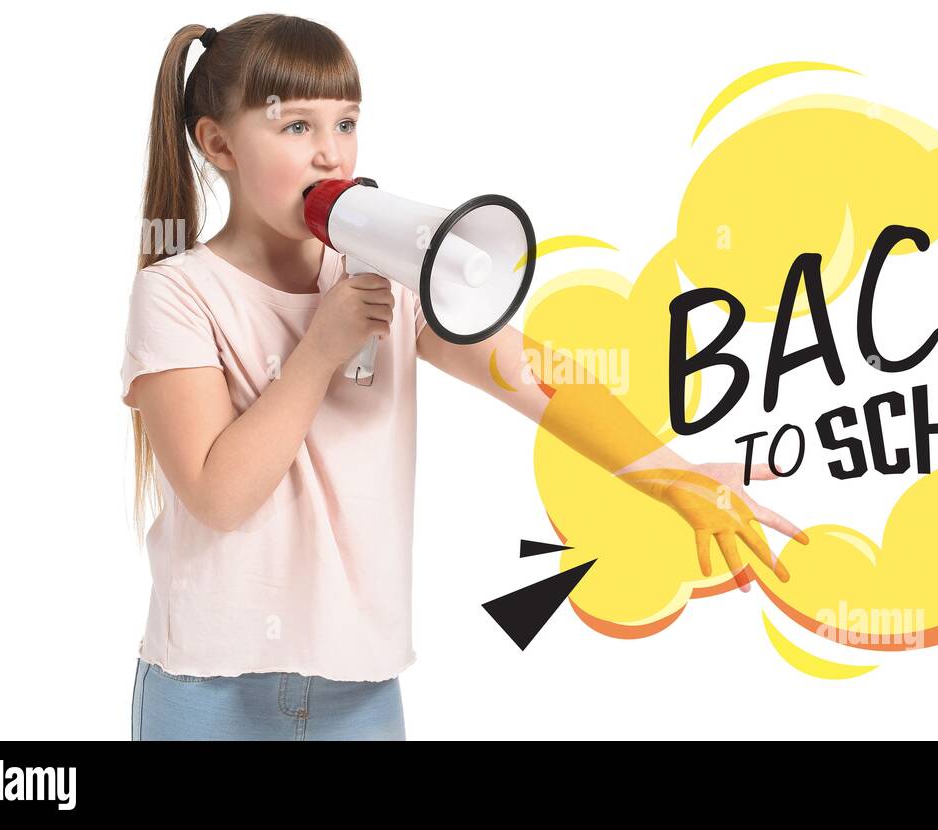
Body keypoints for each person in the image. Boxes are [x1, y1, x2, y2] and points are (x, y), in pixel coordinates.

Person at [123, 14, 806, 741]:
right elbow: (218, 497)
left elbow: (539, 376)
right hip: (208, 688)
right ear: (217, 143)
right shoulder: (179, 293)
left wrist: (670, 477)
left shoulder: (389, 270)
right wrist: (319, 353)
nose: (331, 155)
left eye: (347, 123)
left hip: (361, 688)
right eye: (295, 128)